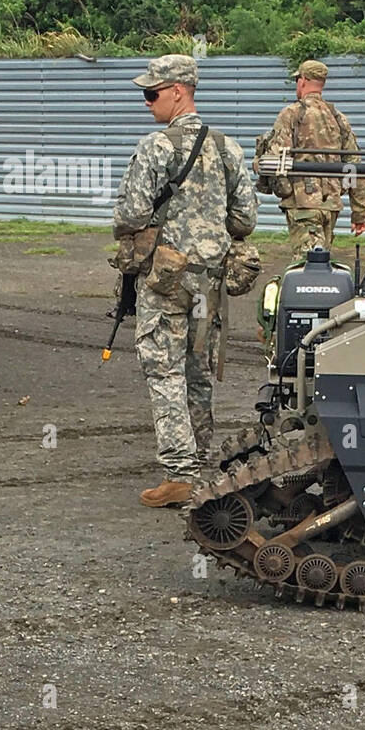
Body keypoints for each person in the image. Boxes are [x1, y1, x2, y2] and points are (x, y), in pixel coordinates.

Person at [113, 54, 259, 508]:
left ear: (179, 90)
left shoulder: (157, 146)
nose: (146, 102)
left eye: (151, 94)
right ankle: (200, 466)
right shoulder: (226, 147)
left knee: (163, 369)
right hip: (208, 282)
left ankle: (179, 473)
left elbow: (131, 213)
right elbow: (246, 218)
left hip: (164, 279)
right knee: (198, 372)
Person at [254, 60, 365, 264]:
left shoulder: (291, 114)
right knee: (321, 260)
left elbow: (274, 159)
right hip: (331, 204)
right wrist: (359, 213)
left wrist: (263, 171)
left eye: (298, 79)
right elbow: (354, 165)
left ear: (304, 80)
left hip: (302, 204)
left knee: (308, 266)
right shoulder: (338, 118)